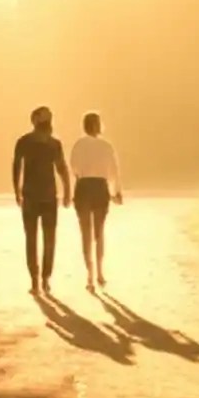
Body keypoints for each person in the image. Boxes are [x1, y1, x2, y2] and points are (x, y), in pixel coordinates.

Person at [12, 106, 72, 295]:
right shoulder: (54, 144)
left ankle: (35, 280)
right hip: (48, 196)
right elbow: (62, 169)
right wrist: (67, 191)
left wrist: (17, 191)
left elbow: (16, 168)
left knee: (31, 238)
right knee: (49, 238)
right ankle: (45, 278)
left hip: (30, 196)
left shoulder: (24, 142)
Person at [69, 111, 122, 293]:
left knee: (85, 232)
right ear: (98, 126)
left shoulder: (78, 145)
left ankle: (89, 275)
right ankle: (100, 271)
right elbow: (114, 170)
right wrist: (116, 191)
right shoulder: (106, 146)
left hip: (83, 187)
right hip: (100, 187)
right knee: (99, 232)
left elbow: (74, 167)